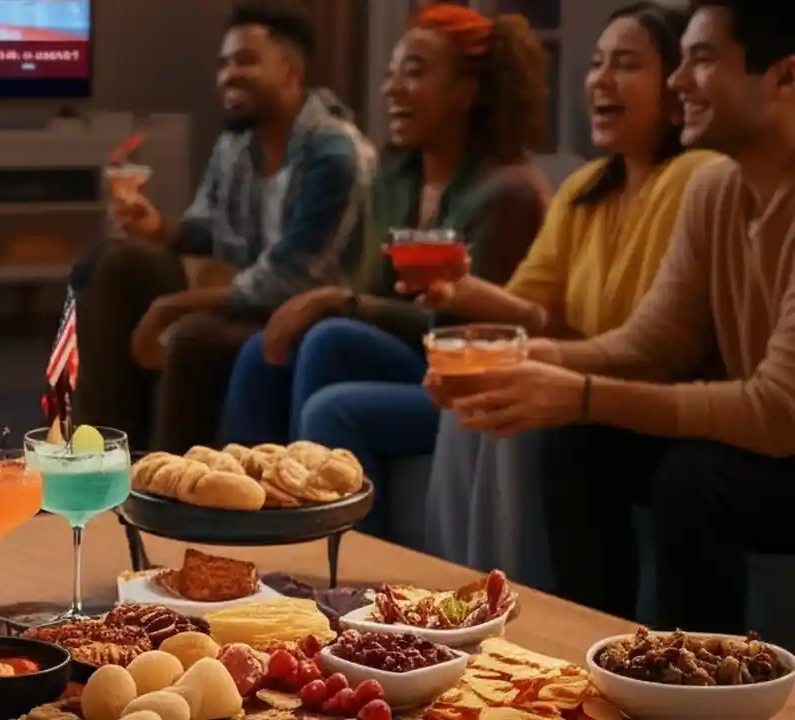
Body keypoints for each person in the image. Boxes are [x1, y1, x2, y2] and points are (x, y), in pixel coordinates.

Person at [431, 0, 795, 633]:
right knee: (579, 440)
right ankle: (591, 649)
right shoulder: (718, 192)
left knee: (691, 479)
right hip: (765, 446)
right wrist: (519, 362)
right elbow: (651, 344)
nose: (681, 83)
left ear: (785, 77)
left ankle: (694, 688)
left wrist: (583, 393)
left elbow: (778, 412)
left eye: (702, 60)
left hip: (780, 443)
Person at [217, 3, 550, 523]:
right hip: (405, 354)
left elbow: (465, 326)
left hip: (460, 371)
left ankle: (319, 539)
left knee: (331, 337)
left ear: (467, 91)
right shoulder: (398, 181)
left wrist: (342, 302)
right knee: (262, 352)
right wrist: (347, 303)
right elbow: (379, 293)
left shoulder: (508, 192)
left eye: (414, 73)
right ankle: (238, 522)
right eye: (390, 73)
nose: (390, 89)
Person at [72, 0, 376, 452]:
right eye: (224, 63)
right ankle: (97, 464)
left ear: (291, 71)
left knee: (197, 336)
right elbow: (205, 231)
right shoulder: (236, 144)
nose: (227, 75)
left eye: (246, 61)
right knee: (115, 261)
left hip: (312, 312)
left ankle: (172, 495)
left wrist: (170, 308)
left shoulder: (335, 155)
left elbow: (287, 281)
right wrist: (157, 227)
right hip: (246, 293)